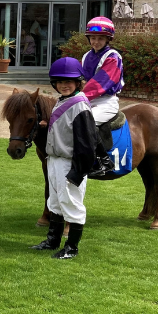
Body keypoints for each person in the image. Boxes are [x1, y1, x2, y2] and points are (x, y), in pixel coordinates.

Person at [31, 57, 98, 260]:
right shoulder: (63, 100)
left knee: (71, 203)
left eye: (69, 81)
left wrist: (78, 171)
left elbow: (86, 143)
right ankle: (52, 240)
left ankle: (72, 248)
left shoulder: (79, 106)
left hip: (69, 163)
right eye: (60, 82)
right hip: (54, 160)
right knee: (55, 202)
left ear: (78, 82)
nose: (64, 85)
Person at [81, 17, 124, 176]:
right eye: (93, 38)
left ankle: (104, 161)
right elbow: (81, 80)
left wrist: (79, 96)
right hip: (87, 99)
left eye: (100, 38)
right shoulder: (86, 56)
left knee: (86, 122)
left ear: (108, 39)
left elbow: (101, 83)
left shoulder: (113, 56)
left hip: (106, 101)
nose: (96, 41)